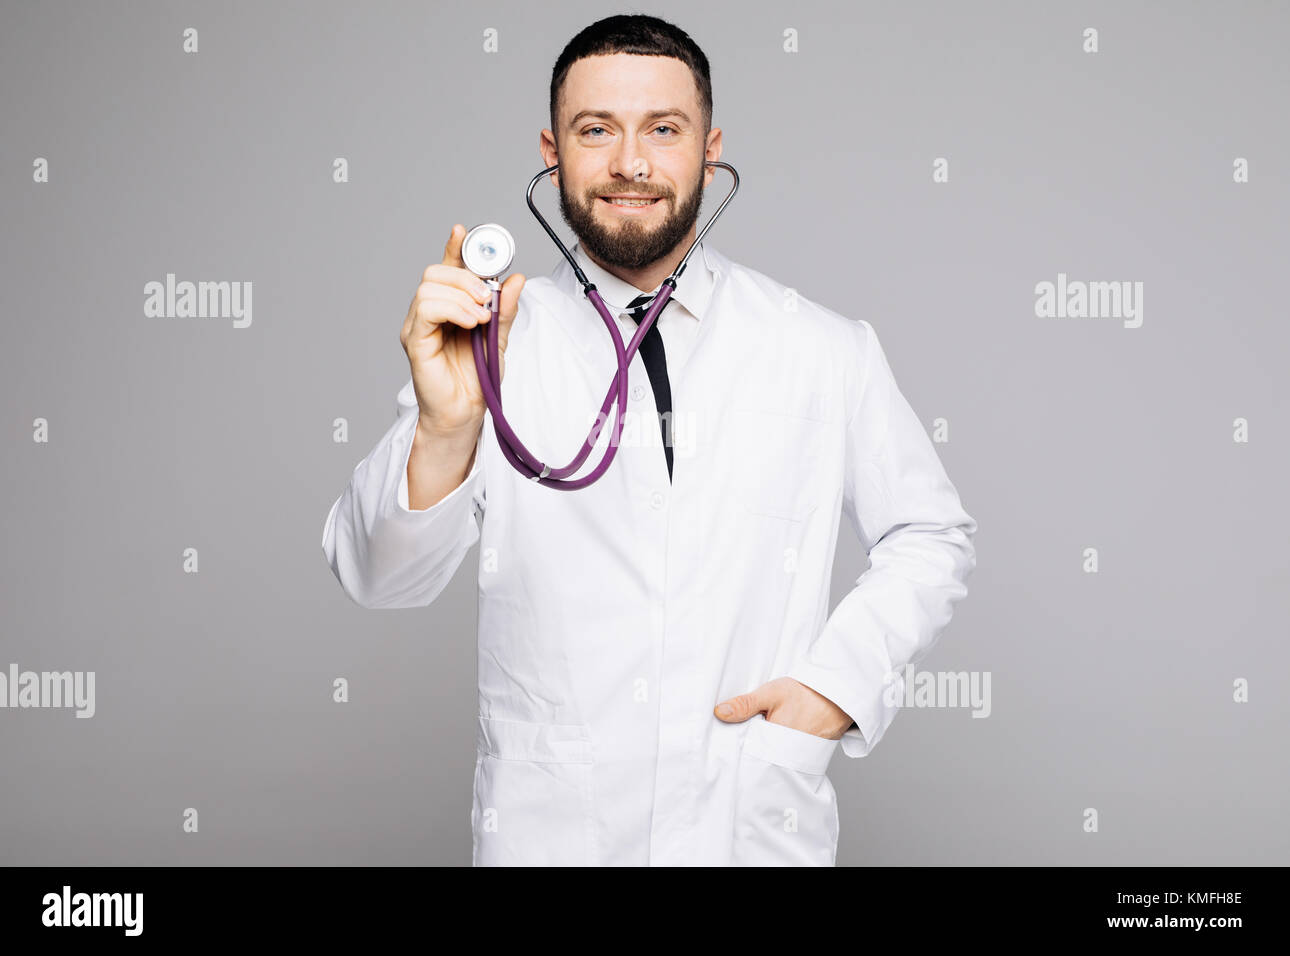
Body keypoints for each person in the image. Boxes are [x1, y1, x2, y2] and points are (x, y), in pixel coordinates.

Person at [321, 13, 977, 866]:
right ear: (552, 150)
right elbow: (377, 577)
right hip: (550, 836)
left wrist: (836, 688)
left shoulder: (821, 347)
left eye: (663, 130)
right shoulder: (493, 342)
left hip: (750, 827)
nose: (631, 163)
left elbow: (931, 534)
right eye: (597, 130)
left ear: (710, 148)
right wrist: (448, 425)